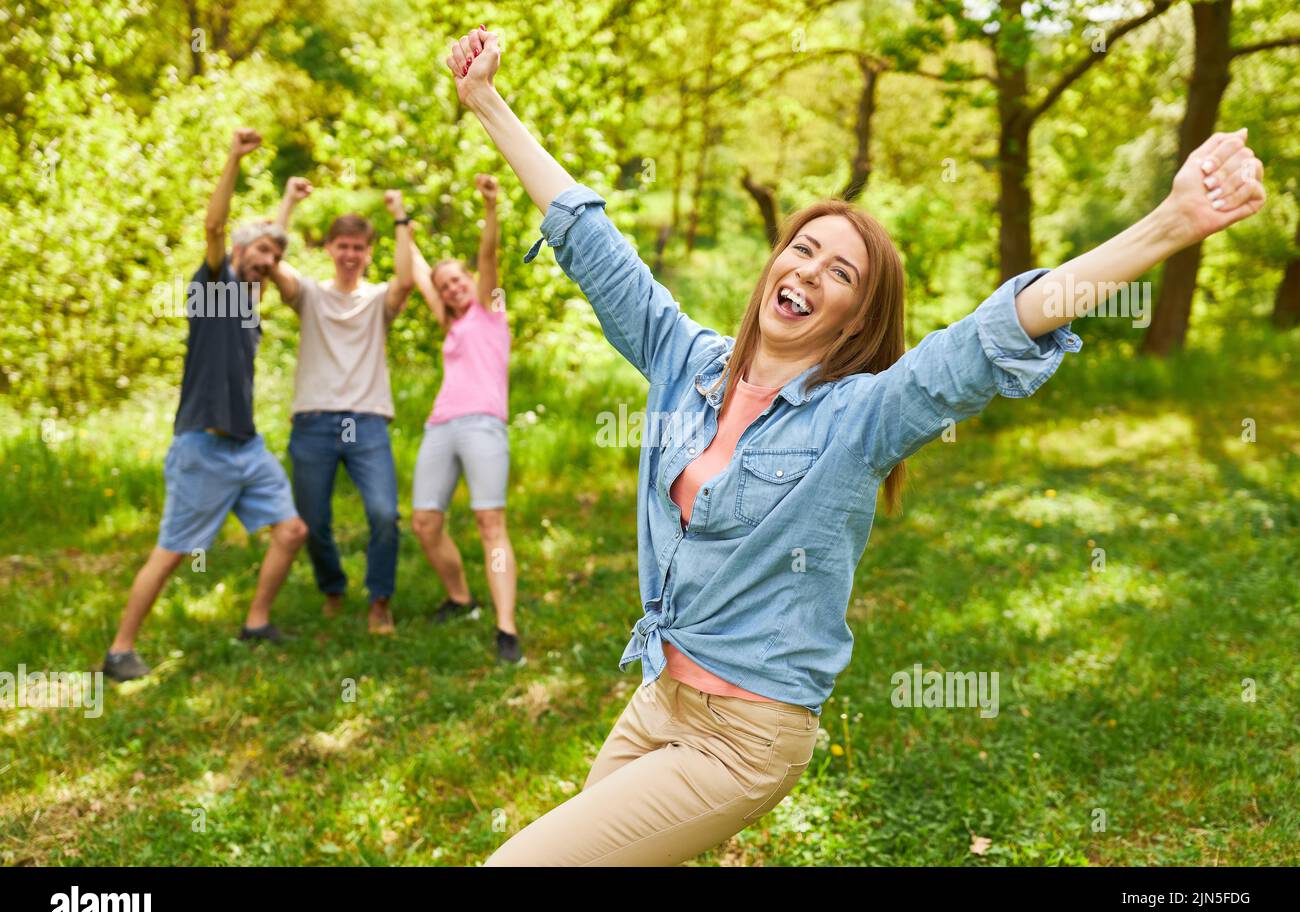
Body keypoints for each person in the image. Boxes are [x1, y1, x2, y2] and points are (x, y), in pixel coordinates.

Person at [443, 28, 1268, 866]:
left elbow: (994, 335)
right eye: (803, 249)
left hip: (743, 739)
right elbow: (592, 241)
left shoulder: (861, 418)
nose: (810, 271)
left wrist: (1171, 223)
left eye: (841, 273)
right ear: (774, 265)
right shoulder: (686, 364)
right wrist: (486, 101)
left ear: (855, 320)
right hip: (659, 699)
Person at [101, 128, 309, 683]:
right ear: (236, 253)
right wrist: (234, 158)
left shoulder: (248, 304)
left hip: (247, 447)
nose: (268, 260)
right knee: (172, 552)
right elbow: (215, 226)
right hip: (202, 447)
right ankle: (120, 651)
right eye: (259, 252)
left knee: (291, 531)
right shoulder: (214, 290)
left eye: (274, 257)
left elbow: (268, 249)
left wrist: (286, 207)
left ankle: (256, 623)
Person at [270, 180, 414, 634]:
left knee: (384, 514)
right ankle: (332, 587)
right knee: (312, 521)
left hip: (367, 422)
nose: (350, 254)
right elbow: (270, 260)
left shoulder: (377, 300)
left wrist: (400, 216)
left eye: (358, 247)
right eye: (343, 246)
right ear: (330, 248)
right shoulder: (309, 294)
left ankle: (379, 600)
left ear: (368, 253)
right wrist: (289, 202)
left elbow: (407, 279)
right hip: (313, 420)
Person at [408, 173, 521, 663]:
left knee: (489, 523)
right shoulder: (450, 324)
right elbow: (418, 275)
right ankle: (460, 599)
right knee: (424, 522)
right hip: (440, 426)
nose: (452, 288)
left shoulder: (490, 308)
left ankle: (506, 629)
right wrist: (402, 226)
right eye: (444, 286)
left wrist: (491, 206)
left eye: (457, 280)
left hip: (482, 425)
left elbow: (488, 256)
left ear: (471, 281)